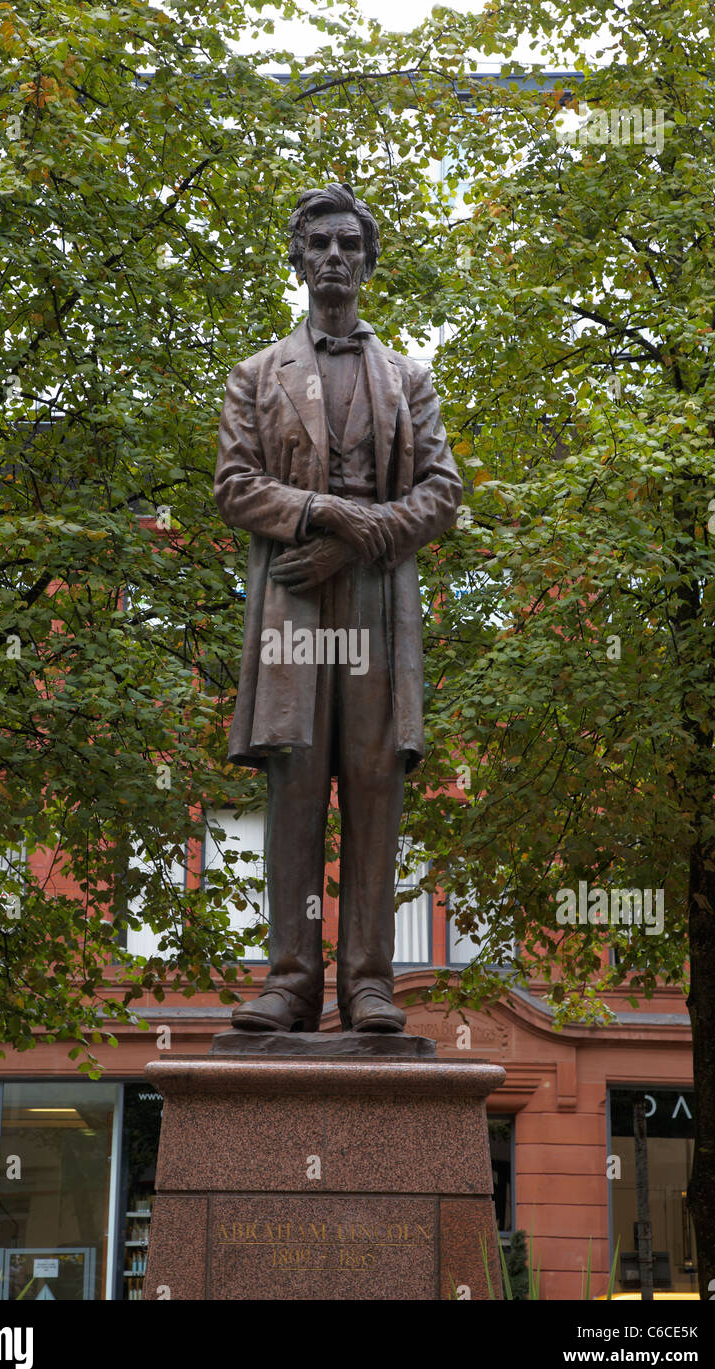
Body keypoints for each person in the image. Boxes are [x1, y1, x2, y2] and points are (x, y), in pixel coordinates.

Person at [214, 183, 462, 1032]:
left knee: (372, 783)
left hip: (376, 600)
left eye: (347, 244)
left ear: (367, 259)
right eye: (317, 243)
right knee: (293, 785)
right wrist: (323, 513)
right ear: (298, 258)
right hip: (294, 603)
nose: (333, 257)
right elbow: (237, 487)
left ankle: (368, 985)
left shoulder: (409, 380)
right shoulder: (256, 376)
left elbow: (442, 493)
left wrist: (360, 537)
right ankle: (289, 981)